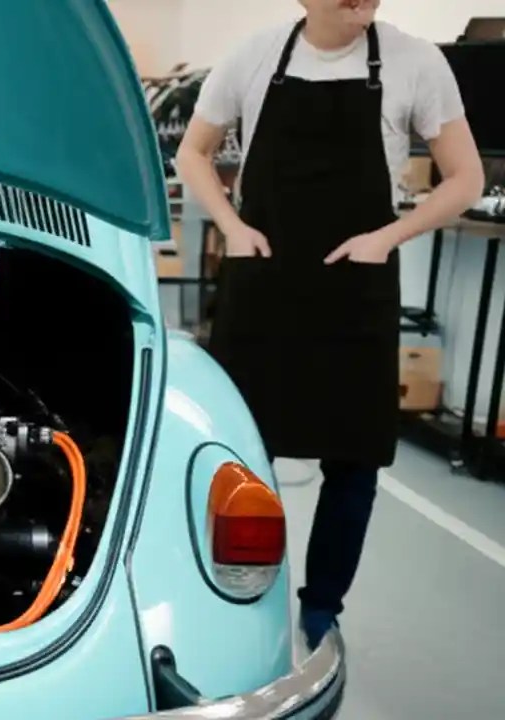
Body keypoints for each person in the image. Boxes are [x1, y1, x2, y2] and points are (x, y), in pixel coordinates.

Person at [175, 0, 485, 650]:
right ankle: (226, 590)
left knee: (355, 461)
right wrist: (231, 227)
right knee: (240, 454)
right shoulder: (254, 56)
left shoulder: (415, 62)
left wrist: (391, 236)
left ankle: (322, 608)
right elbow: (192, 154)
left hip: (357, 289)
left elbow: (466, 178)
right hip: (264, 285)